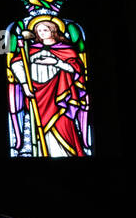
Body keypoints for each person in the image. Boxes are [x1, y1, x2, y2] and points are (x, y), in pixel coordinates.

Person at [8, 15, 89, 157]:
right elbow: (16, 64)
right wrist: (26, 85)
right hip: (37, 94)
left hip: (59, 95)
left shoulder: (66, 49)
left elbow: (76, 69)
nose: (41, 33)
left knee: (62, 124)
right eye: (38, 31)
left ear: (54, 31)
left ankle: (67, 155)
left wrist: (56, 63)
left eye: (45, 30)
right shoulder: (30, 49)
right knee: (39, 130)